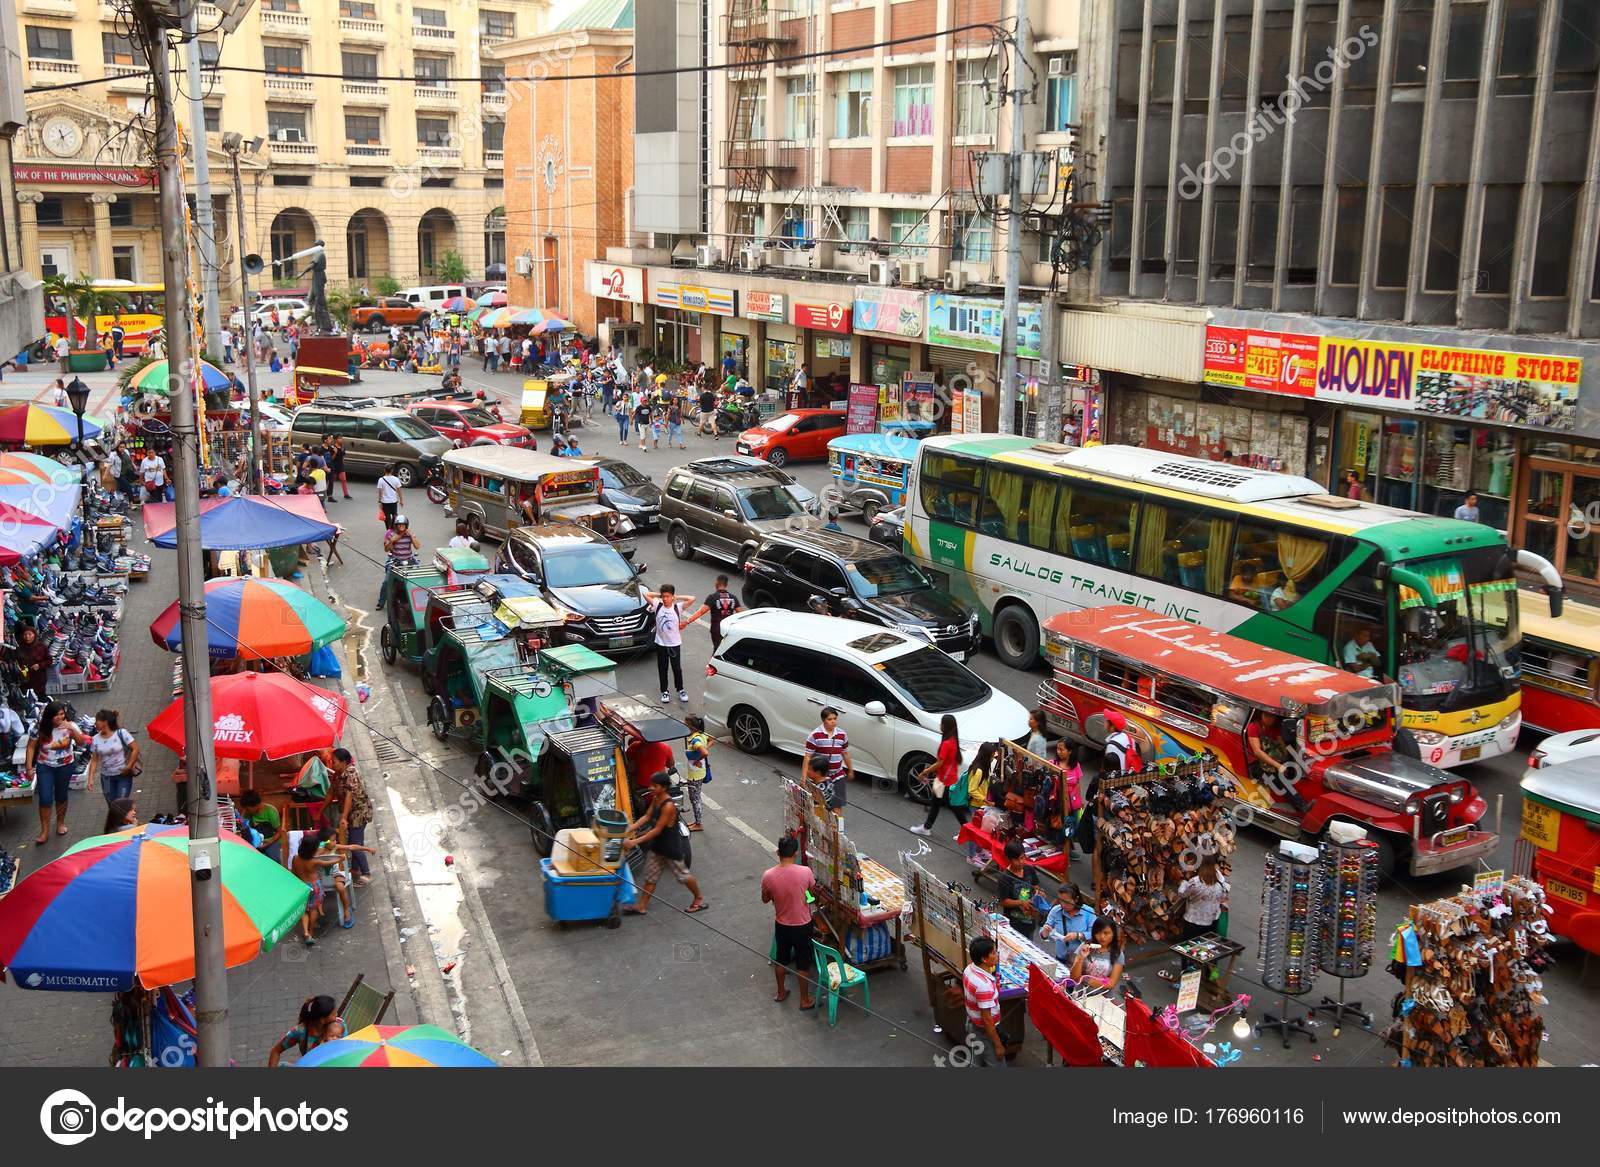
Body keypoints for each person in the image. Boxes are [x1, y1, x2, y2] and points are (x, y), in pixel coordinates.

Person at [624, 772, 708, 914]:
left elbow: (657, 830)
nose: (651, 788)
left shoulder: (668, 805)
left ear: (663, 788)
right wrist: (630, 828)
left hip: (670, 848)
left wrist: (635, 842)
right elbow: (647, 816)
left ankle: (699, 898)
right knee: (651, 877)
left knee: (683, 875)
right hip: (657, 846)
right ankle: (642, 906)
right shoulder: (656, 798)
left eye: (654, 786)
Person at [761, 835, 816, 1009]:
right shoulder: (805, 872)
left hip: (782, 924)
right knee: (803, 962)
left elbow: (765, 898)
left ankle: (781, 992)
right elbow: (810, 892)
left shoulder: (768, 875)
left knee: (781, 960)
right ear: (796, 853)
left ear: (778, 852)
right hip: (802, 924)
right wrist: (806, 897)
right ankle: (804, 999)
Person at [26, 702, 90, 844]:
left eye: (62, 714)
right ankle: (45, 831)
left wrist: (72, 729)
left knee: (61, 796)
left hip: (65, 766)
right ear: (50, 716)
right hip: (45, 766)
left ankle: (60, 823)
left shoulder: (70, 726)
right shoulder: (39, 728)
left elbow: (82, 743)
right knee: (45, 798)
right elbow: (31, 747)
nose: (60, 717)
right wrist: (29, 767)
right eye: (57, 715)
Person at [912, 714, 969, 837]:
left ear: (945, 726)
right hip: (948, 779)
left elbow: (940, 763)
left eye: (941, 724)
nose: (940, 726)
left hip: (944, 781)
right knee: (938, 804)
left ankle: (967, 831)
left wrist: (924, 772)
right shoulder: (954, 741)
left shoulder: (946, 743)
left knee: (953, 807)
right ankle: (927, 827)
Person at [328, 747, 374, 887]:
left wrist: (343, 817)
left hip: (358, 813)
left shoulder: (351, 773)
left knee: (355, 843)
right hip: (350, 813)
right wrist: (320, 810)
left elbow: (349, 796)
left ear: (343, 762)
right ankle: (355, 869)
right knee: (354, 841)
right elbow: (331, 792)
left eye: (334, 762)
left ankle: (366, 873)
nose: (332, 764)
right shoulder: (337, 774)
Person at [645, 585, 696, 703]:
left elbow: (692, 598)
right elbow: (646, 595)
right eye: (663, 596)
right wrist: (659, 595)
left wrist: (677, 597)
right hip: (661, 644)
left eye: (668, 596)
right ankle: (664, 691)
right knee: (662, 669)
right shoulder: (658, 605)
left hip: (674, 644)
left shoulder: (678, 607)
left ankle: (680, 689)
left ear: (672, 597)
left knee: (677, 669)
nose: (665, 599)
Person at [801, 706, 853, 822]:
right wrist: (804, 778)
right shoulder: (815, 735)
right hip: (821, 778)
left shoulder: (842, 735)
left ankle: (839, 832)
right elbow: (807, 757)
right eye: (830, 719)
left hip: (837, 775)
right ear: (823, 720)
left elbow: (845, 753)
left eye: (835, 719)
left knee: (837, 805)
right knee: (818, 804)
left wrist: (850, 770)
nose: (833, 721)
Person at [962, 936, 1007, 1067]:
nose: (997, 954)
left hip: (972, 1023)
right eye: (993, 952)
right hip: (984, 1032)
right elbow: (987, 1019)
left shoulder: (969, 969)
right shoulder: (983, 985)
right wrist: (998, 1045)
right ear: (984, 959)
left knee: (976, 1062)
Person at [267, 995, 346, 1066]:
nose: (337, 1015)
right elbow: (275, 1051)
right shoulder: (300, 1031)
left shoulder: (339, 1025)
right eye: (333, 1014)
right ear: (322, 1019)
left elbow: (347, 1049)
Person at [85, 708, 139, 807]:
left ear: (104, 722)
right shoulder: (95, 739)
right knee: (112, 806)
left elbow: (135, 749)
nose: (95, 724)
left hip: (123, 775)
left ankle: (126, 820)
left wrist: (129, 766)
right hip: (106, 778)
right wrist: (90, 779)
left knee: (121, 805)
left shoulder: (121, 733)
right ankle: (118, 822)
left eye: (97, 721)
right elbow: (94, 760)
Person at [1040, 882, 1097, 966]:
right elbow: (1044, 932)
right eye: (1061, 901)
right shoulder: (1056, 910)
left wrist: (1078, 935)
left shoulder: (1088, 912)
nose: (1063, 905)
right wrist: (1045, 932)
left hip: (1080, 962)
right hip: (1060, 959)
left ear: (1076, 899)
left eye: (1067, 902)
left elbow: (1094, 934)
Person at [995, 839, 1043, 937]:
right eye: (1017, 859)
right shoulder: (1005, 878)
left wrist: (1039, 893)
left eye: (1022, 857)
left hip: (1030, 922)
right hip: (1013, 925)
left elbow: (1036, 886)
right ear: (1009, 859)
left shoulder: (1029, 869)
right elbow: (1002, 901)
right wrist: (1022, 902)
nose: (1021, 862)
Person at [684, 574, 741, 652]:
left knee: (717, 651)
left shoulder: (713, 597)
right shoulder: (733, 598)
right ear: (726, 585)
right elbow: (741, 613)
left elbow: (701, 612)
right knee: (724, 650)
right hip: (728, 629)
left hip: (716, 629)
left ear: (716, 583)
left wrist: (687, 621)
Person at [375, 516, 419, 609]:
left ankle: (416, 602)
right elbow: (386, 549)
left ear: (406, 525)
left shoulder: (409, 533)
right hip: (395, 562)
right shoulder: (391, 534)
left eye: (403, 525)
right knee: (387, 582)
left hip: (409, 561)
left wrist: (412, 536)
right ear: (396, 526)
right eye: (399, 525)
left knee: (415, 581)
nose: (401, 527)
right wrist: (392, 541)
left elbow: (417, 546)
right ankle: (381, 603)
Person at [1070, 917, 1126, 990]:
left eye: (1106, 933)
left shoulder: (1118, 954)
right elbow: (1074, 977)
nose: (1102, 937)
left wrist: (1086, 979)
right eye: (1098, 933)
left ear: (1113, 933)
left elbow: (1111, 983)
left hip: (1102, 997)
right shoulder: (1085, 946)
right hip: (1081, 993)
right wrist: (1081, 958)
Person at [682, 714, 712, 831]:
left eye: (685, 725)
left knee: (695, 799)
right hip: (699, 772)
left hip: (695, 774)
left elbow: (705, 753)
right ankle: (696, 821)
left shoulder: (695, 740)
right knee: (696, 797)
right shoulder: (701, 735)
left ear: (692, 727)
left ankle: (698, 824)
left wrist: (698, 759)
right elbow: (711, 741)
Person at [8, 623, 52, 701]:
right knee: (28, 700)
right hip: (25, 680)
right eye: (25, 634)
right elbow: (14, 660)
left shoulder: (41, 647)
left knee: (41, 699)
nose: (27, 637)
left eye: (30, 634)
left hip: (39, 680)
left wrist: (39, 665)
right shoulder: (19, 648)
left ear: (34, 635)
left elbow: (49, 660)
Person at [240, 789, 284, 861]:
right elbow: (243, 826)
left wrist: (268, 843)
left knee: (274, 859)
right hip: (254, 841)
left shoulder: (270, 812)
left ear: (257, 805)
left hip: (271, 841)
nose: (246, 811)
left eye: (248, 809)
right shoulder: (246, 813)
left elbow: (279, 832)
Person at [1102, 709, 1139, 773]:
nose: (1104, 721)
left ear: (1112, 726)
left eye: (1106, 720)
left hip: (1119, 779)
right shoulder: (1130, 738)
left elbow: (1110, 770)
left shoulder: (1111, 746)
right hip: (1129, 775)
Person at [376, 463, 404, 527]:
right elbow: (399, 491)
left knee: (387, 517)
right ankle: (393, 527)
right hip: (394, 501)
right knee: (394, 515)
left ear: (384, 470)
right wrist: (401, 501)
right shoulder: (396, 479)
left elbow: (380, 492)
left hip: (385, 502)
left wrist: (380, 501)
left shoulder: (381, 480)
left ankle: (388, 530)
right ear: (392, 470)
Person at [328, 435, 350, 500]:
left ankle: (346, 494)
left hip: (341, 466)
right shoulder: (332, 447)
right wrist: (335, 453)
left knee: (344, 480)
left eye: (341, 438)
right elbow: (331, 458)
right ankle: (328, 493)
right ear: (335, 440)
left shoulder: (343, 447)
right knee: (331, 480)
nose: (341, 440)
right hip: (334, 466)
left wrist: (343, 463)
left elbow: (343, 456)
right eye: (339, 438)